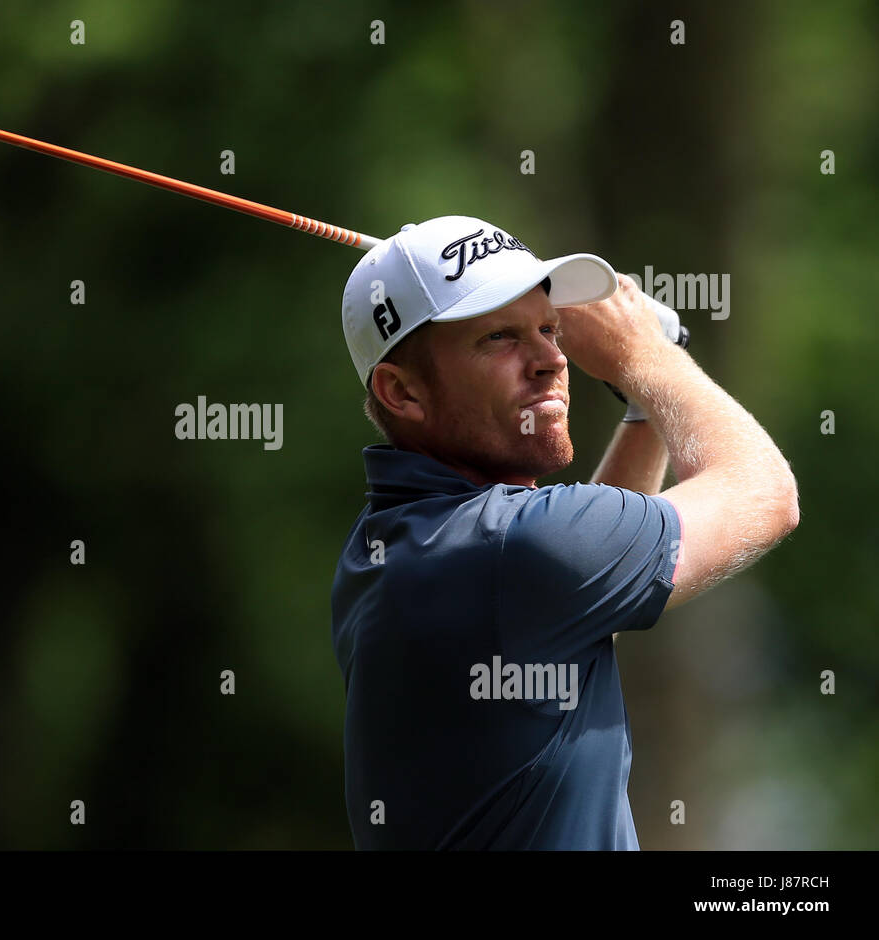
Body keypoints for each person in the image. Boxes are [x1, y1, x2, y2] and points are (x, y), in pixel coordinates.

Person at [331, 216, 799, 850]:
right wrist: (650, 357)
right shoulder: (517, 546)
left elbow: (587, 580)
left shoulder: (387, 542)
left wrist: (645, 406)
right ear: (402, 391)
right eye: (499, 337)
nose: (552, 359)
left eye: (549, 328)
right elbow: (766, 493)